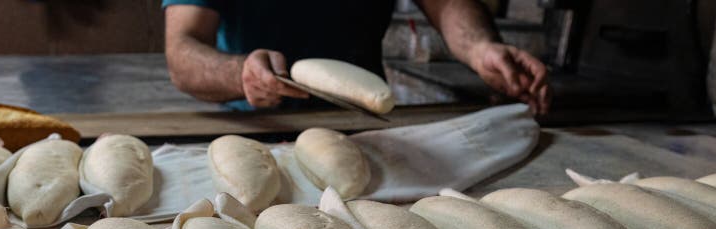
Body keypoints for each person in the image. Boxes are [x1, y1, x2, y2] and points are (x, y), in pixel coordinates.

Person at [164, 0, 551, 114]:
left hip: (365, 125)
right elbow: (183, 51)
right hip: (252, 130)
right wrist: (239, 74)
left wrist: (480, 48)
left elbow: (448, 5)